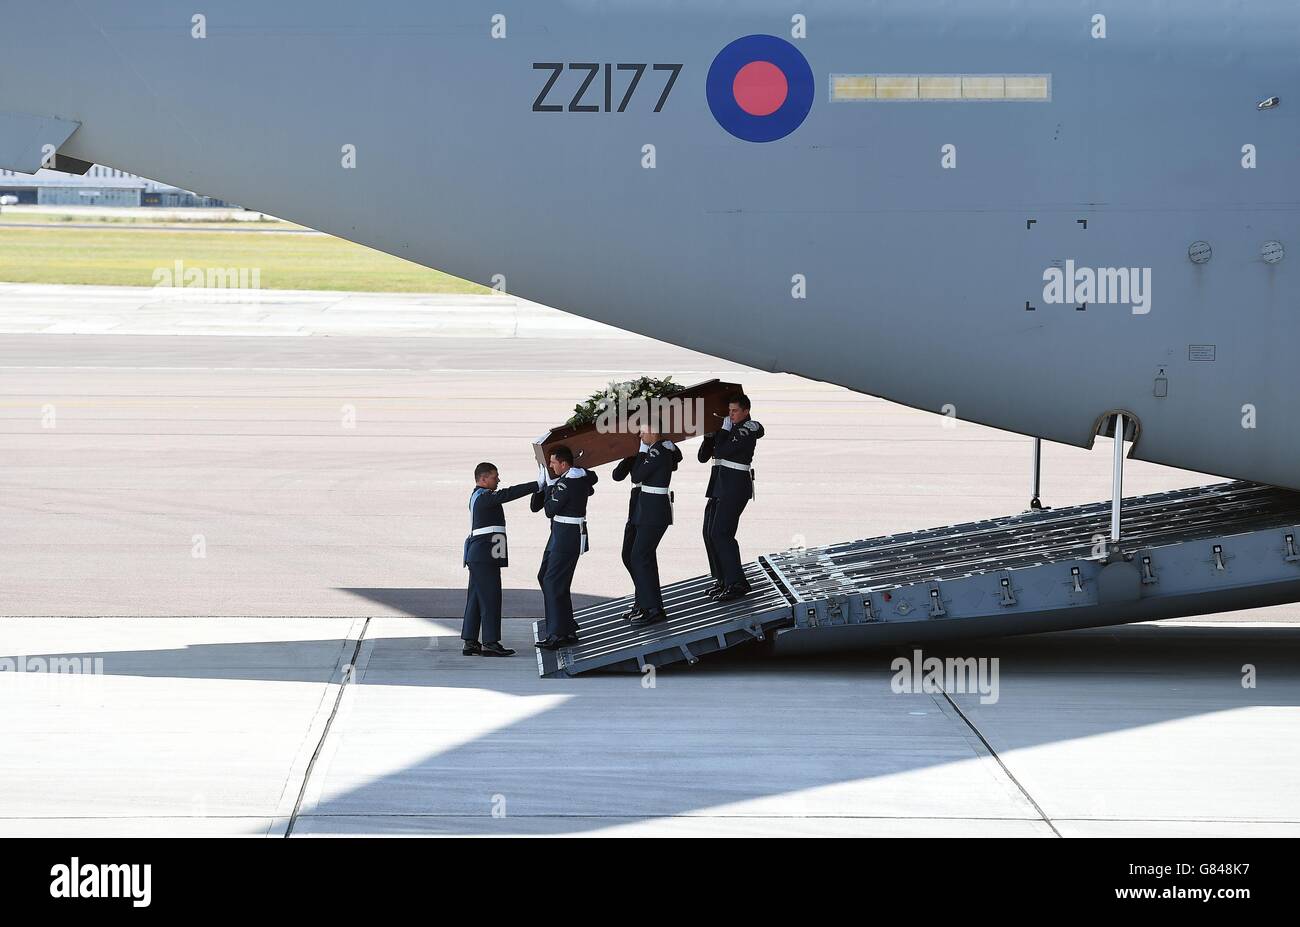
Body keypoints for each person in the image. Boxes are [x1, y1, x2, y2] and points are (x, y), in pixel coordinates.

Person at [461, 461, 546, 657]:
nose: (498, 479)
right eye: (494, 476)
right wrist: (537, 485)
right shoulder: (484, 497)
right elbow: (509, 493)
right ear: (483, 479)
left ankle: (470, 641)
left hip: (481, 555)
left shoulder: (479, 496)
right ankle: (490, 642)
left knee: (476, 598)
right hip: (484, 556)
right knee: (491, 597)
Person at [533, 445, 598, 651]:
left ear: (564, 463)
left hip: (566, 537)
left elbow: (549, 510)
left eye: (553, 463)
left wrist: (550, 485)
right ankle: (566, 626)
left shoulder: (568, 482)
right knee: (546, 577)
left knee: (553, 582)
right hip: (560, 535)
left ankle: (558, 633)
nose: (551, 466)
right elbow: (592, 479)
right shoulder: (574, 477)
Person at [702, 393, 764, 601]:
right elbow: (704, 456)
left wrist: (723, 432)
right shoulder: (730, 428)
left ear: (746, 411)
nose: (731, 415)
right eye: (729, 411)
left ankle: (737, 582)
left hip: (735, 487)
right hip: (721, 486)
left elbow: (722, 450)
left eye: (735, 411)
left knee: (721, 533)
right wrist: (711, 434)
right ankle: (725, 579)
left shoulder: (748, 428)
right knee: (711, 532)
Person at [626, 428, 681, 625]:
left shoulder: (657, 451)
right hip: (649, 511)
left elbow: (637, 475)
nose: (640, 436)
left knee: (639, 556)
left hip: (653, 513)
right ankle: (649, 606)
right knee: (643, 557)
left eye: (643, 432)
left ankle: (653, 609)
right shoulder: (660, 449)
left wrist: (641, 451)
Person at [611, 452, 641, 617]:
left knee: (639, 557)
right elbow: (617, 475)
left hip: (648, 505)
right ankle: (641, 598)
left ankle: (644, 601)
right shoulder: (634, 455)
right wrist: (629, 456)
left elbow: (675, 461)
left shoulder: (660, 449)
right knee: (628, 555)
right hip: (636, 505)